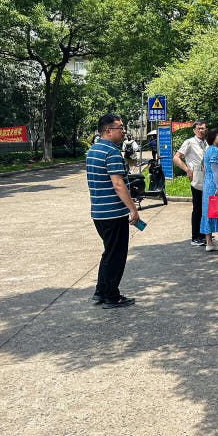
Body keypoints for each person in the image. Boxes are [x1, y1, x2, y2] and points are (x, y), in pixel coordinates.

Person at [86, 114, 140, 309]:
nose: (123, 131)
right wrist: (132, 209)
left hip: (99, 212)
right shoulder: (112, 152)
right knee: (116, 255)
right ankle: (111, 296)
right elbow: (118, 184)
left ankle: (100, 292)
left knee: (109, 252)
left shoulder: (93, 150)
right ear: (108, 131)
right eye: (120, 128)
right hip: (113, 213)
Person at [173, 120, 208, 247]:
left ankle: (204, 233)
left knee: (205, 208)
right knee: (198, 208)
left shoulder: (206, 142)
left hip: (207, 179)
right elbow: (176, 157)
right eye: (199, 128)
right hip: (196, 179)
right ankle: (195, 236)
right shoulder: (189, 142)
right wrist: (187, 169)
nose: (201, 130)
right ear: (194, 130)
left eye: (203, 128)